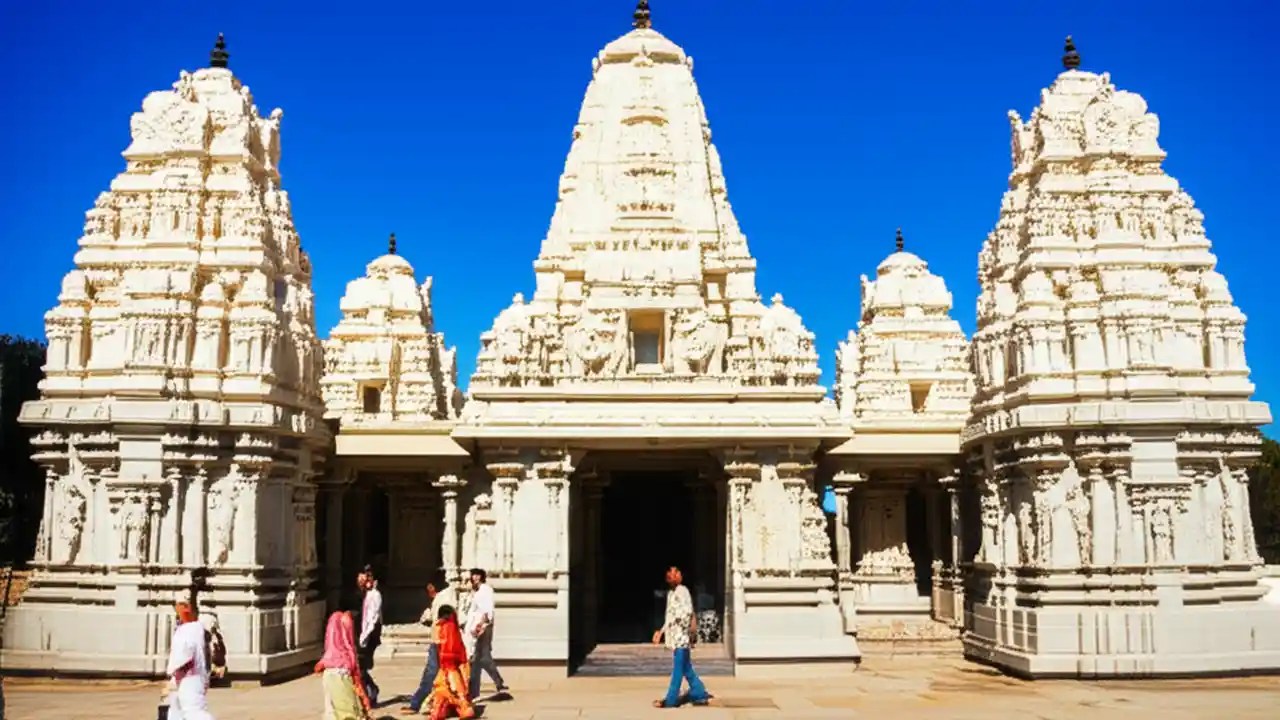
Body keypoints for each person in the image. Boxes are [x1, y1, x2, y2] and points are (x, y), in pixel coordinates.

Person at [651, 566, 711, 709]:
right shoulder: (671, 594)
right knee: (686, 669)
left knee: (678, 670)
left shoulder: (683, 591)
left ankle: (670, 700)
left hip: (681, 637)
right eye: (671, 574)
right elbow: (669, 616)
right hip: (674, 636)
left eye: (676, 572)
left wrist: (680, 623)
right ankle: (699, 692)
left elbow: (687, 611)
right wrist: (661, 631)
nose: (674, 576)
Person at [403, 577, 457, 715]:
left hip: (441, 641)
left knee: (431, 673)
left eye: (429, 589)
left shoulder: (444, 598)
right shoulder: (446, 596)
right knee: (449, 674)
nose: (429, 592)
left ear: (432, 587)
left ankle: (417, 703)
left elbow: (444, 619)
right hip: (446, 641)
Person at [315, 611, 374, 720]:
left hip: (330, 675)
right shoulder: (346, 659)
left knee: (332, 713)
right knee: (349, 714)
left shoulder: (328, 659)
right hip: (342, 675)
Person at [465, 568, 509, 700]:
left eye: (477, 575)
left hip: (482, 627)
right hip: (479, 627)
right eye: (473, 575)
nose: (475, 578)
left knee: (478, 658)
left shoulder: (485, 590)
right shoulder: (477, 591)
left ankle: (473, 691)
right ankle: (498, 682)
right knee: (482, 657)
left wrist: (480, 626)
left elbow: (487, 610)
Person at [425, 604, 476, 720]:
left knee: (450, 690)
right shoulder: (452, 626)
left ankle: (453, 710)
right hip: (452, 665)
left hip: (448, 665)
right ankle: (458, 709)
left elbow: (443, 645)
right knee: (455, 690)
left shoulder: (445, 627)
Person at [166, 600, 215, 720]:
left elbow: (185, 653)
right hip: (189, 676)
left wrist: (173, 669)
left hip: (188, 678)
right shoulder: (195, 630)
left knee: (193, 711)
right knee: (176, 711)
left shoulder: (187, 631)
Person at [357, 567, 384, 707]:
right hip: (364, 634)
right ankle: (369, 691)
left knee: (361, 666)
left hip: (369, 635)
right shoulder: (365, 594)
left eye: (368, 577)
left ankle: (370, 692)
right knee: (361, 667)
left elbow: (373, 618)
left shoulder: (375, 595)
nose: (366, 580)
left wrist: (365, 636)